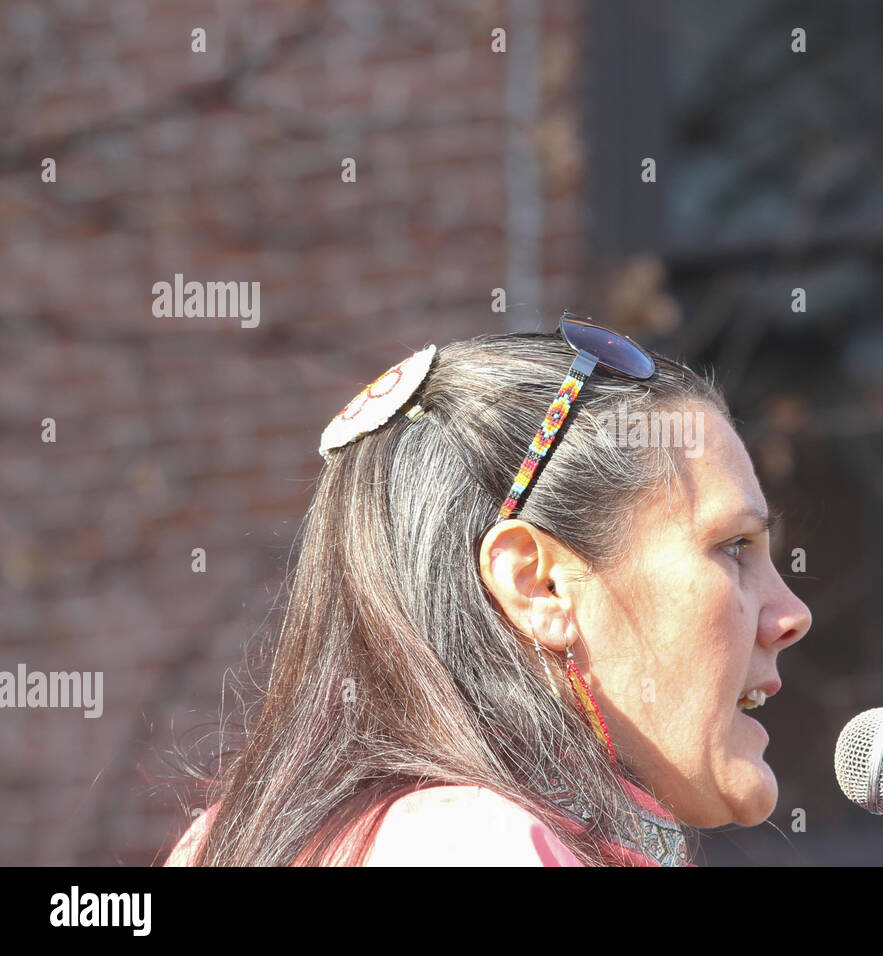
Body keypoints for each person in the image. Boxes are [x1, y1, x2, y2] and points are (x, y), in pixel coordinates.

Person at [165, 313, 812, 866]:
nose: (791, 614)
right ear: (540, 584)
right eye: (733, 547)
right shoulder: (479, 843)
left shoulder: (238, 839)